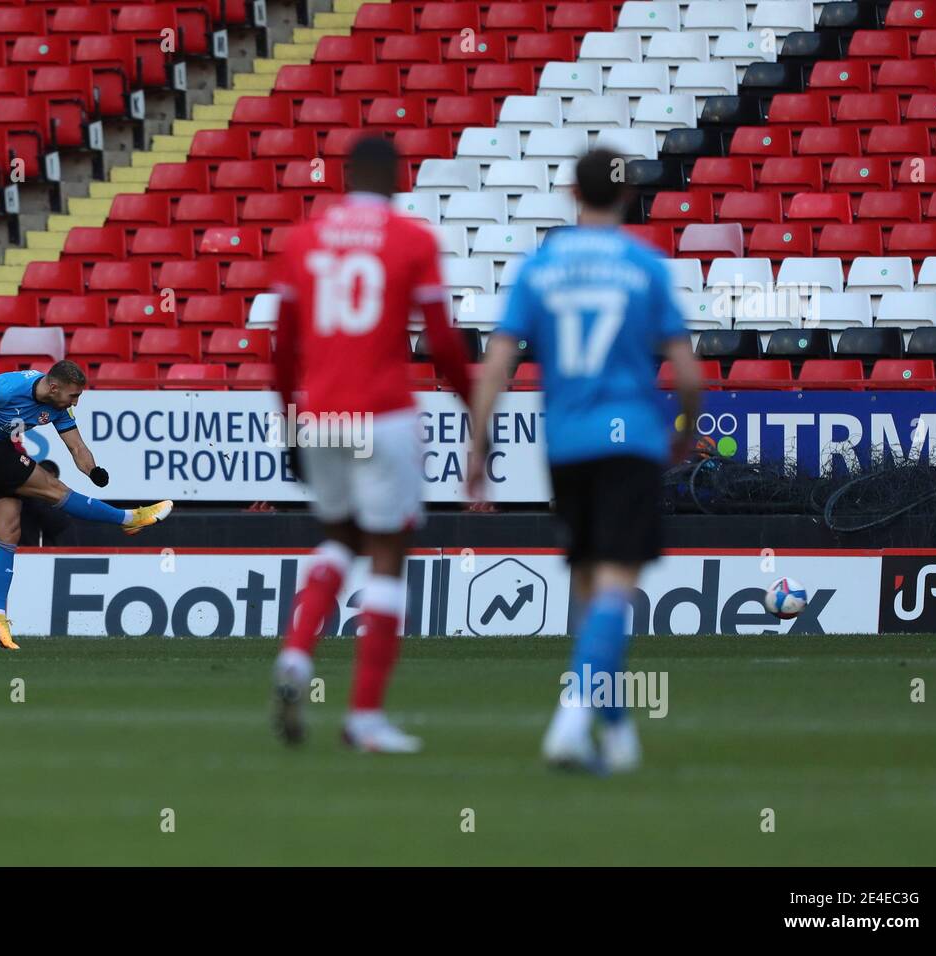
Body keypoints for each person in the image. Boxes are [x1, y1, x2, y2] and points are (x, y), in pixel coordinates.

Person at [467, 149, 703, 773]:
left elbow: (497, 362)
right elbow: (685, 370)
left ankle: (618, 736)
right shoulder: (645, 266)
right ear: (628, 198)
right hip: (629, 444)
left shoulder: (540, 267)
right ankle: (571, 723)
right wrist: (686, 428)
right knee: (615, 591)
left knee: (589, 591)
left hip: (567, 445)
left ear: (573, 191)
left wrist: (480, 440)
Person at [269, 136, 473, 753]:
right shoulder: (412, 239)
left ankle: (299, 654)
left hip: (321, 413)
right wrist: (476, 405)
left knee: (338, 537)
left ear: (343, 176)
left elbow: (280, 345)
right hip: (383, 414)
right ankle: (363, 718)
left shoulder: (304, 239)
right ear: (399, 179)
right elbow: (441, 338)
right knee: (388, 553)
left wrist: (288, 422)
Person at [0, 361, 172, 650]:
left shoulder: (57, 405)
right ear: (53, 387)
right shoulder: (7, 388)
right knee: (55, 490)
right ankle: (128, 518)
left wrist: (93, 471)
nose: (75, 402)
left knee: (8, 531)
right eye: (73, 396)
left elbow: (77, 448)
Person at [0, 459, 72, 547]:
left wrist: (34, 497)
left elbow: (59, 526)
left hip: (34, 554)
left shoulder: (49, 499)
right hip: (0, 549)